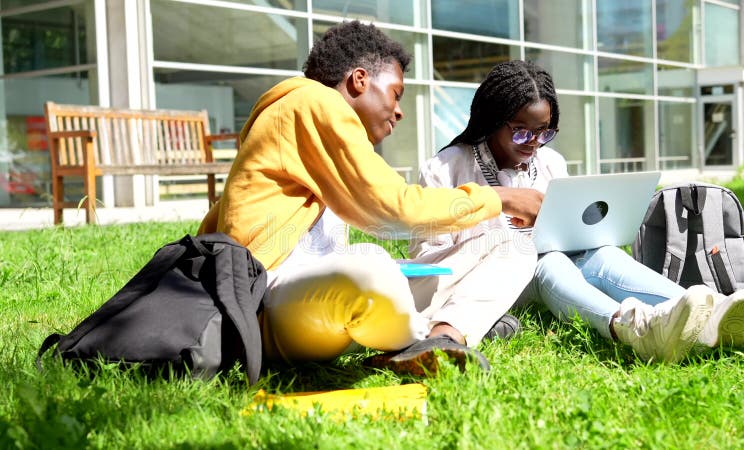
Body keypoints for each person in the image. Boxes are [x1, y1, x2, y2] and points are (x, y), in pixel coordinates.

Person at [198, 21, 540, 376]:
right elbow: (395, 209)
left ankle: (443, 336)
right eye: (396, 93)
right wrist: (501, 197)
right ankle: (426, 331)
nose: (399, 111)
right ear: (359, 80)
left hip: (325, 310)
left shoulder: (311, 126)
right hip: (269, 307)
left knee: (511, 247)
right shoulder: (311, 101)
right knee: (370, 262)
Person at [412, 60, 744, 363]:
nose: (534, 143)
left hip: (560, 265)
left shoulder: (550, 163)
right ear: (492, 120)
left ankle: (716, 312)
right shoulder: (445, 168)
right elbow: (429, 260)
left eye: (544, 132)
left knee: (603, 254)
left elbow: (570, 230)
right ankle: (635, 328)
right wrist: (501, 231)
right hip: (491, 282)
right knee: (548, 263)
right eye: (521, 133)